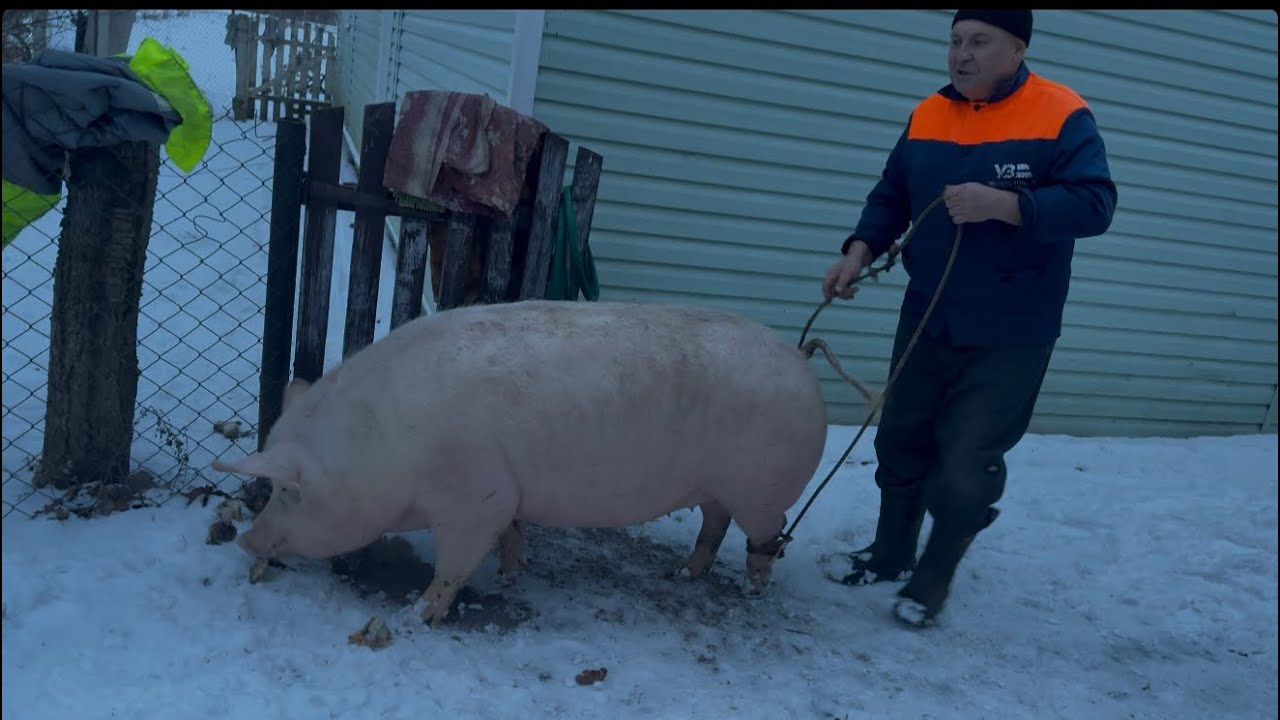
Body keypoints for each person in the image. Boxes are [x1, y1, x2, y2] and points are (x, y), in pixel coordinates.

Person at [819, 9, 1118, 628]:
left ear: (1017, 47)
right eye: (955, 40)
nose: (962, 54)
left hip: (1012, 328)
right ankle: (890, 553)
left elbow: (1095, 203)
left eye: (979, 41)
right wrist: (859, 250)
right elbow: (891, 195)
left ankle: (931, 581)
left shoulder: (1061, 113)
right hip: (928, 311)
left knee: (966, 458)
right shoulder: (929, 112)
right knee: (899, 439)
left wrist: (1008, 205)